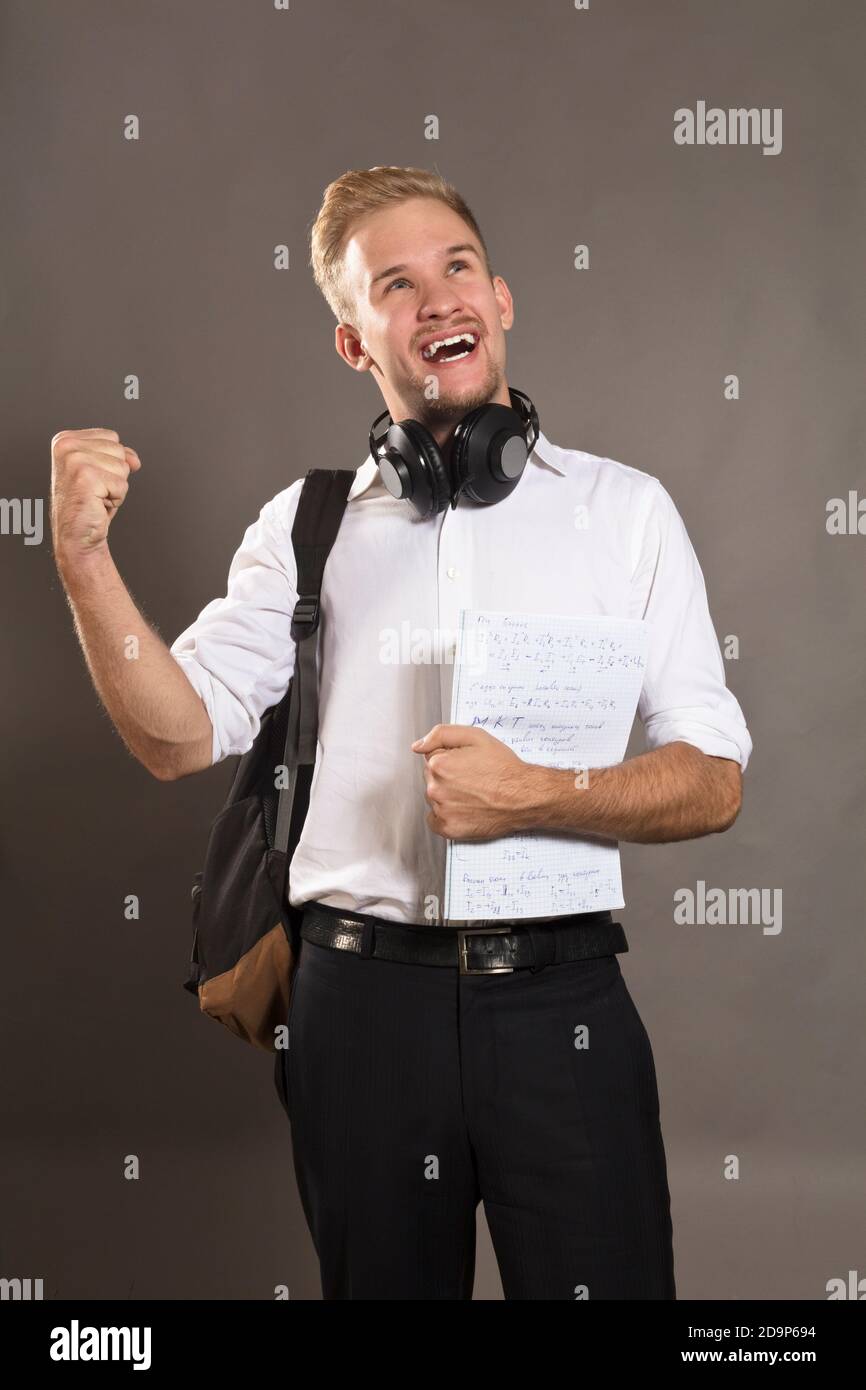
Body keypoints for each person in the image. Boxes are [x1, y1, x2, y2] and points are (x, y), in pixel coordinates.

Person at [50, 165, 752, 1301]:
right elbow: (176, 737)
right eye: (395, 284)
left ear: (502, 299)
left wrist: (542, 794)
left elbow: (712, 780)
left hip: (561, 1011)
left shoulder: (624, 513)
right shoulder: (308, 525)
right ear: (352, 341)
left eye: (456, 268)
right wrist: (84, 563)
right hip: (359, 1015)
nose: (437, 300)